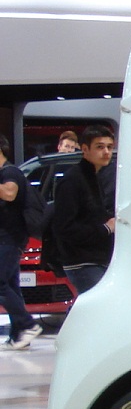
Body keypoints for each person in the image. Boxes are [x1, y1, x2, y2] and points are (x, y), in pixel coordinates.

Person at [53, 124, 116, 294]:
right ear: (85, 149)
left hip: (95, 260)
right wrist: (106, 229)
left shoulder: (93, 178)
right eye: (100, 147)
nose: (106, 152)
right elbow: (64, 227)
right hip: (81, 262)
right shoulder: (73, 180)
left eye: (109, 147)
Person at [0, 134, 43, 350]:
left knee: (1, 284)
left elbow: (9, 193)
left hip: (10, 238)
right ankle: (19, 334)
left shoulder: (9, 172)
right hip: (7, 238)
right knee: (11, 285)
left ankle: (28, 324)